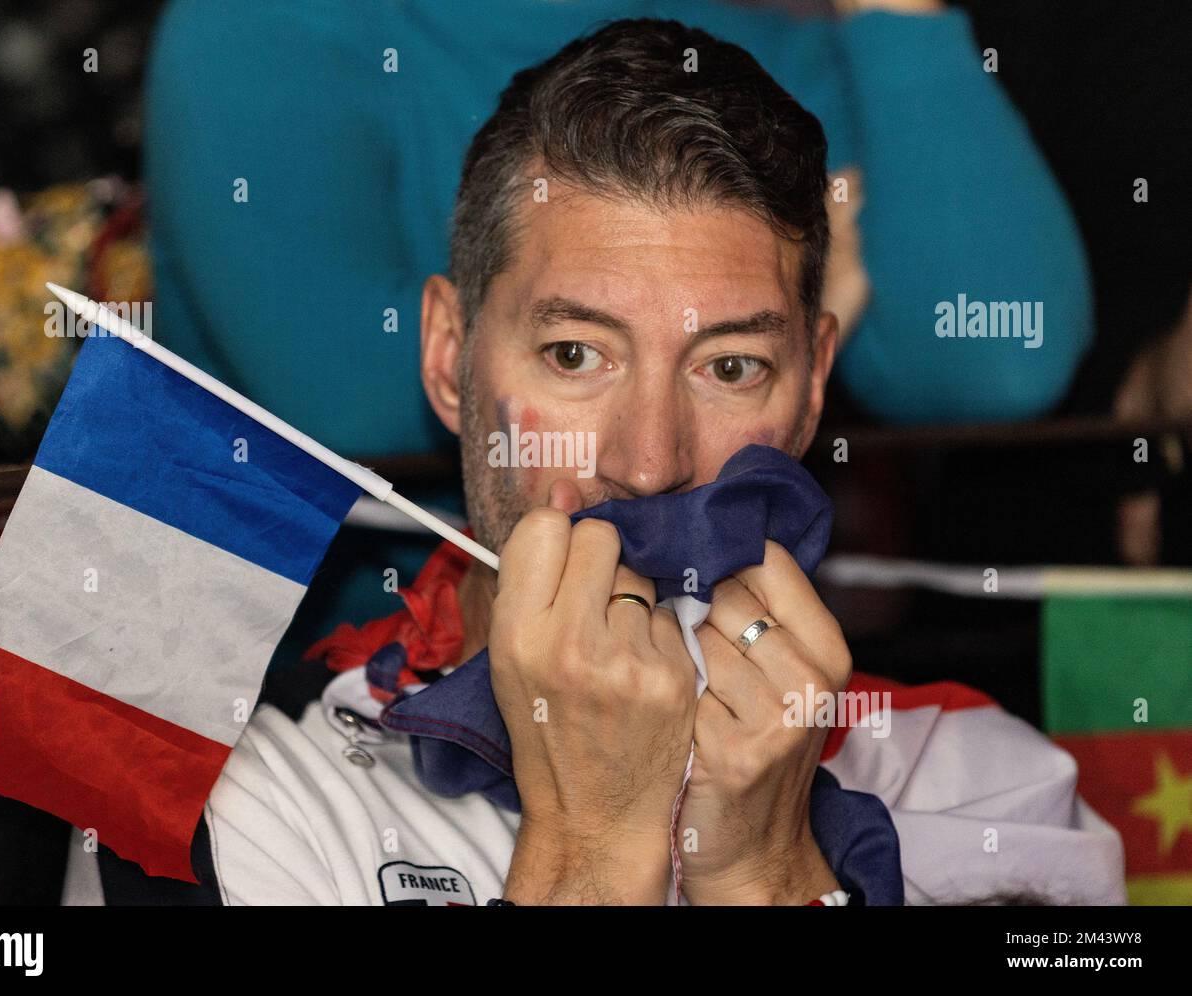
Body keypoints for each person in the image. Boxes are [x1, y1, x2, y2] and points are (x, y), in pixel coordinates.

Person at [88, 17, 1120, 906]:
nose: (650, 463)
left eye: (730, 366)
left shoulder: (978, 780)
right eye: (575, 355)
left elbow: (1005, 357)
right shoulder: (259, 810)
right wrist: (592, 851)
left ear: (811, 391)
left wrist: (766, 873)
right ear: (447, 359)